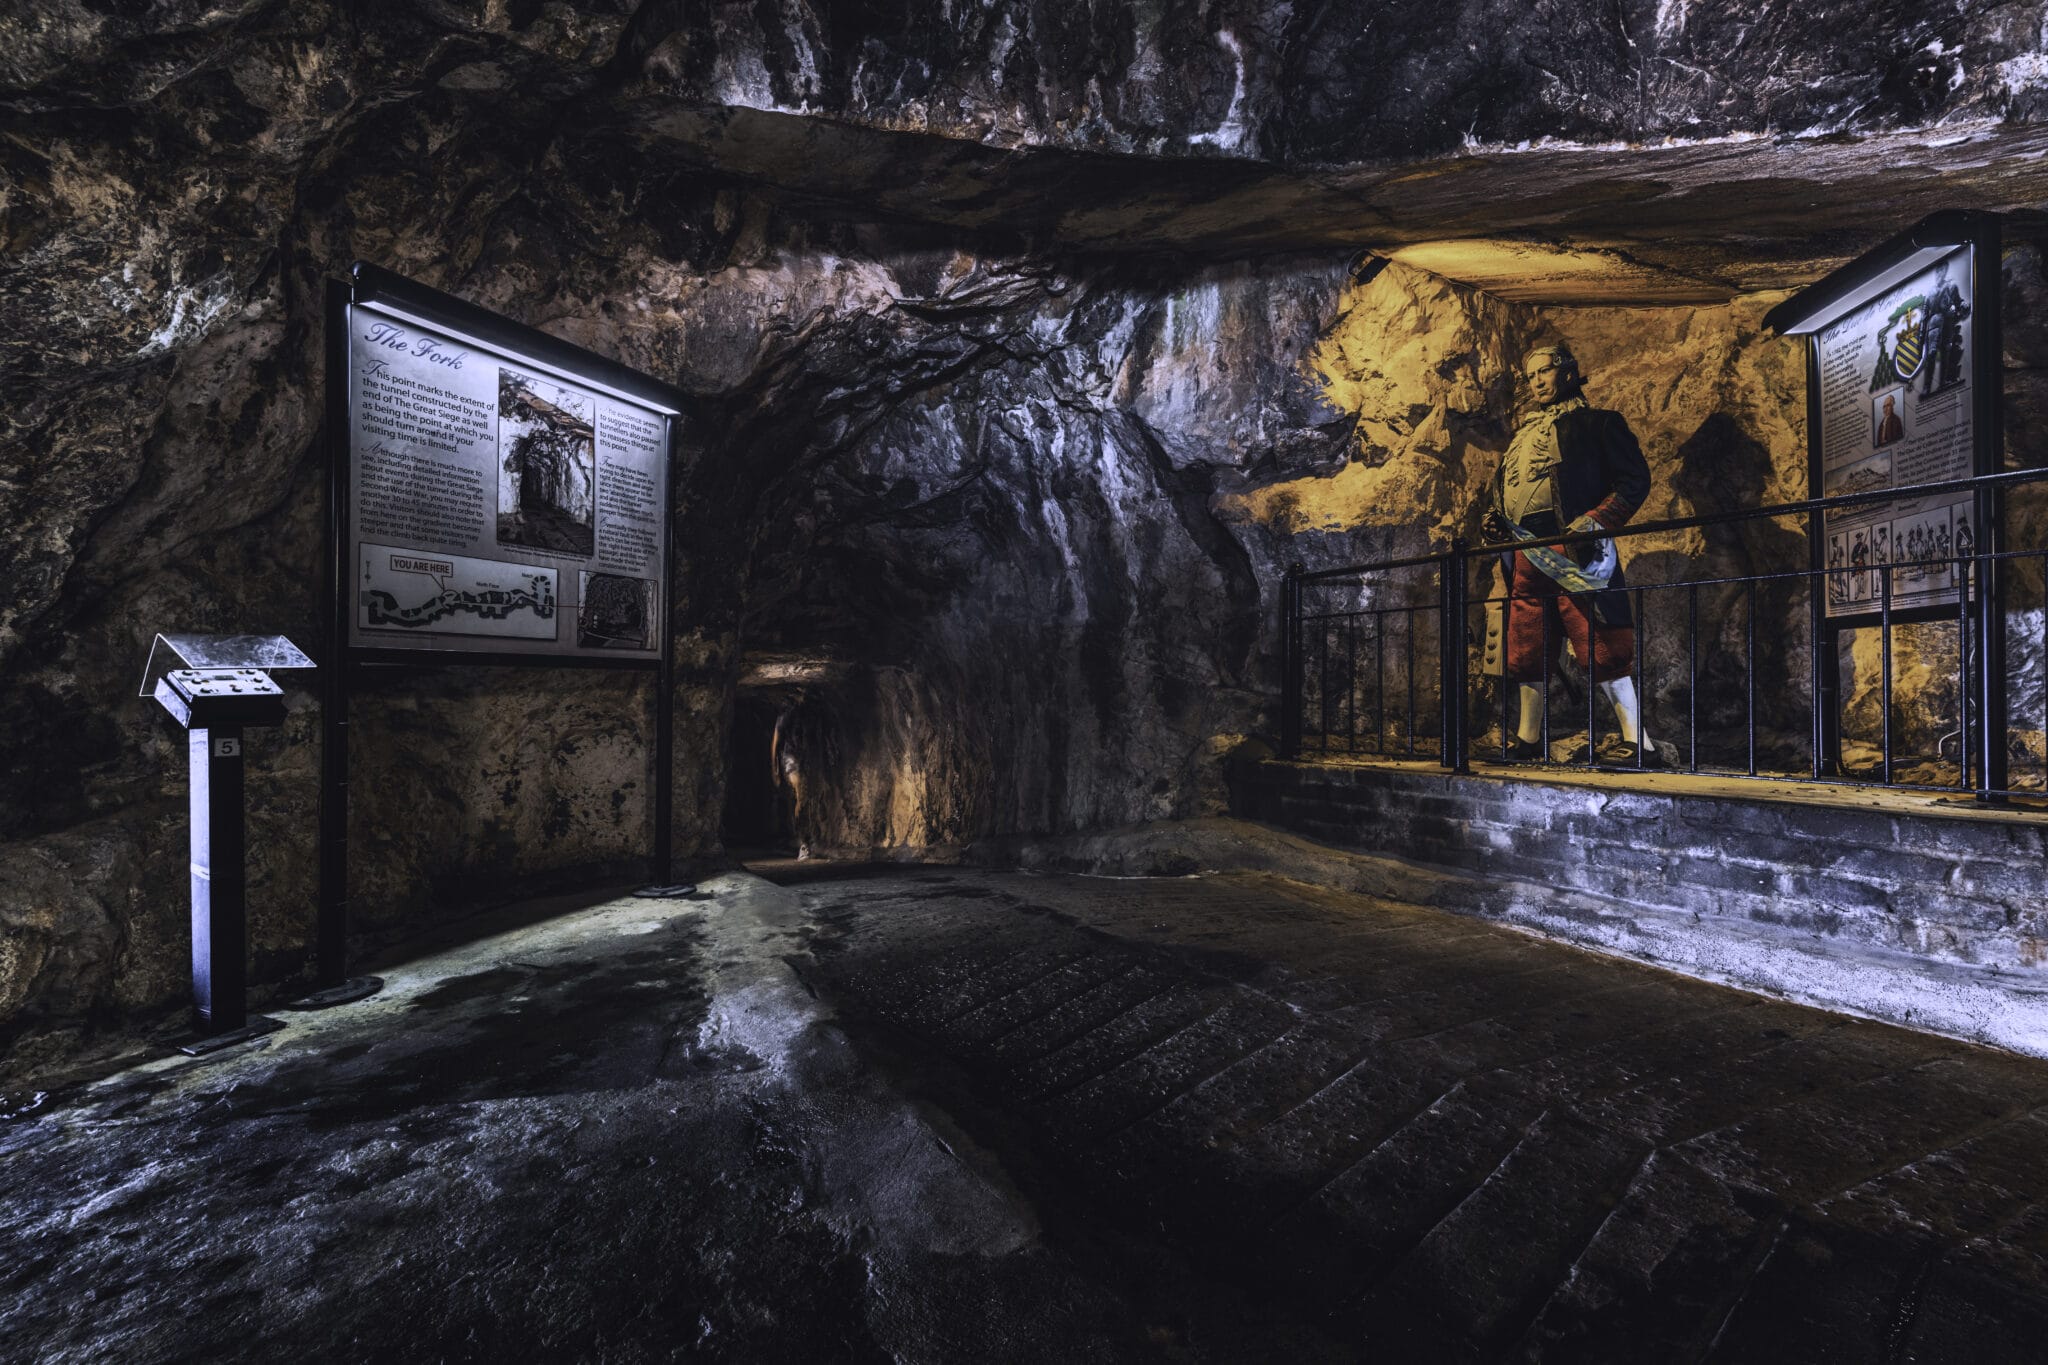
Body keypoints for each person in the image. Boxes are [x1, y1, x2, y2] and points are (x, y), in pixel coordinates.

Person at [1482, 342, 1657, 765]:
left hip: (1574, 550)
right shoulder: (1522, 436)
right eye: (1531, 376)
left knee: (1599, 638)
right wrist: (1495, 517)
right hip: (1525, 548)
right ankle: (1528, 740)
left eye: (1544, 372)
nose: (1537, 382)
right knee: (1526, 642)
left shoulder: (1600, 424)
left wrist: (1598, 520)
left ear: (1567, 372)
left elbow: (1634, 481)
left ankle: (1639, 742)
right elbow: (1508, 491)